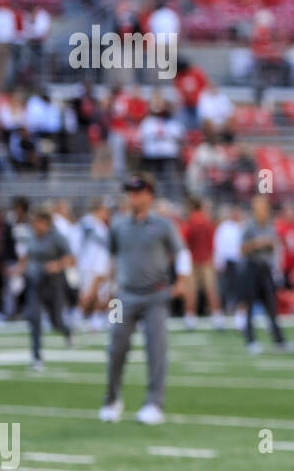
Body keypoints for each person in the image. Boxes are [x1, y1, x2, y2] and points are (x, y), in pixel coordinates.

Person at [103, 173, 190, 425]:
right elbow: (112, 258)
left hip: (156, 294)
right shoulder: (118, 224)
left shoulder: (163, 225)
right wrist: (108, 288)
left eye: (137, 192)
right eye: (130, 192)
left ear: (149, 194)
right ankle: (111, 398)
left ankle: (154, 402)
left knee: (156, 350)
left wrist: (182, 281)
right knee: (115, 347)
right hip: (123, 295)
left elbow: (181, 252)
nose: (132, 197)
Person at [19, 205, 74, 372]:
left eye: (38, 222)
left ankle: (67, 331)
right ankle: (36, 357)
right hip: (36, 283)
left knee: (56, 321)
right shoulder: (32, 237)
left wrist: (56, 265)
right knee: (33, 317)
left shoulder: (57, 238)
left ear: (45, 222)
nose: (35, 225)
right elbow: (27, 256)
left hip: (53, 284)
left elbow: (71, 259)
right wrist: (18, 269)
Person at [240, 195, 290, 352]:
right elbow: (241, 249)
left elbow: (276, 244)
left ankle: (279, 340)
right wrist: (257, 243)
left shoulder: (271, 226)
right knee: (249, 306)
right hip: (252, 267)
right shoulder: (249, 226)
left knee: (271, 306)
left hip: (266, 267)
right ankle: (250, 340)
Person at [181, 196, 223, 329]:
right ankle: (216, 316)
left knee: (191, 291)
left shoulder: (190, 222)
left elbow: (184, 242)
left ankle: (190, 317)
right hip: (207, 260)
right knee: (211, 289)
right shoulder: (207, 222)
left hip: (192, 260)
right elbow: (212, 242)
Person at [76, 199, 112, 331]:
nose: (107, 214)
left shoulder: (102, 226)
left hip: (100, 264)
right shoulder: (88, 222)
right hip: (88, 264)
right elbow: (83, 240)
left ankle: (96, 320)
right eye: (104, 210)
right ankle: (78, 316)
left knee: (101, 292)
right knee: (88, 292)